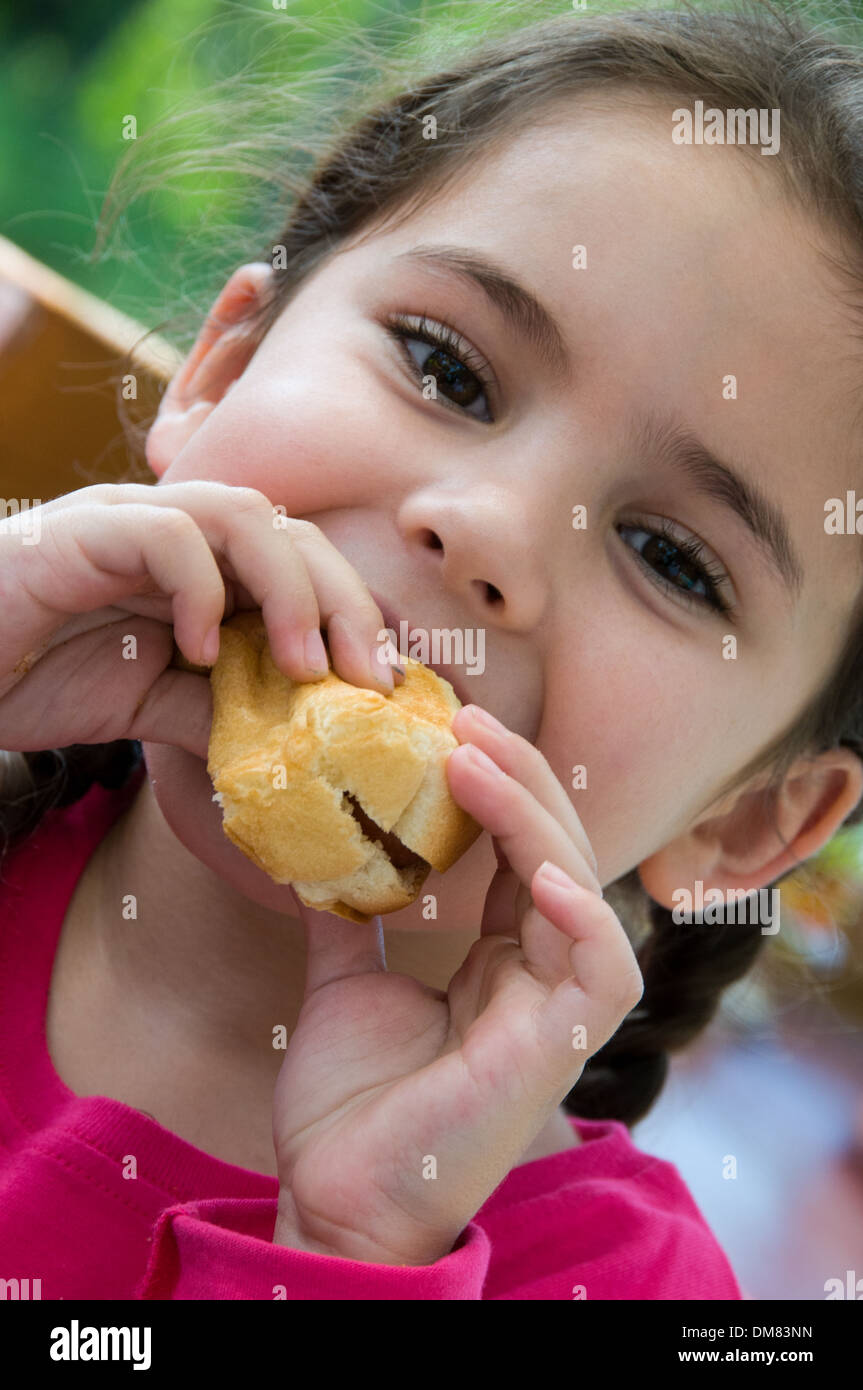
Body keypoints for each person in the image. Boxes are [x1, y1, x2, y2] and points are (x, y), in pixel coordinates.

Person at [2, 0, 862, 1299]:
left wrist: (354, 1253)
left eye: (673, 557)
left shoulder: (630, 1283)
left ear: (748, 824)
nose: (491, 534)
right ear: (224, 369)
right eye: (448, 368)